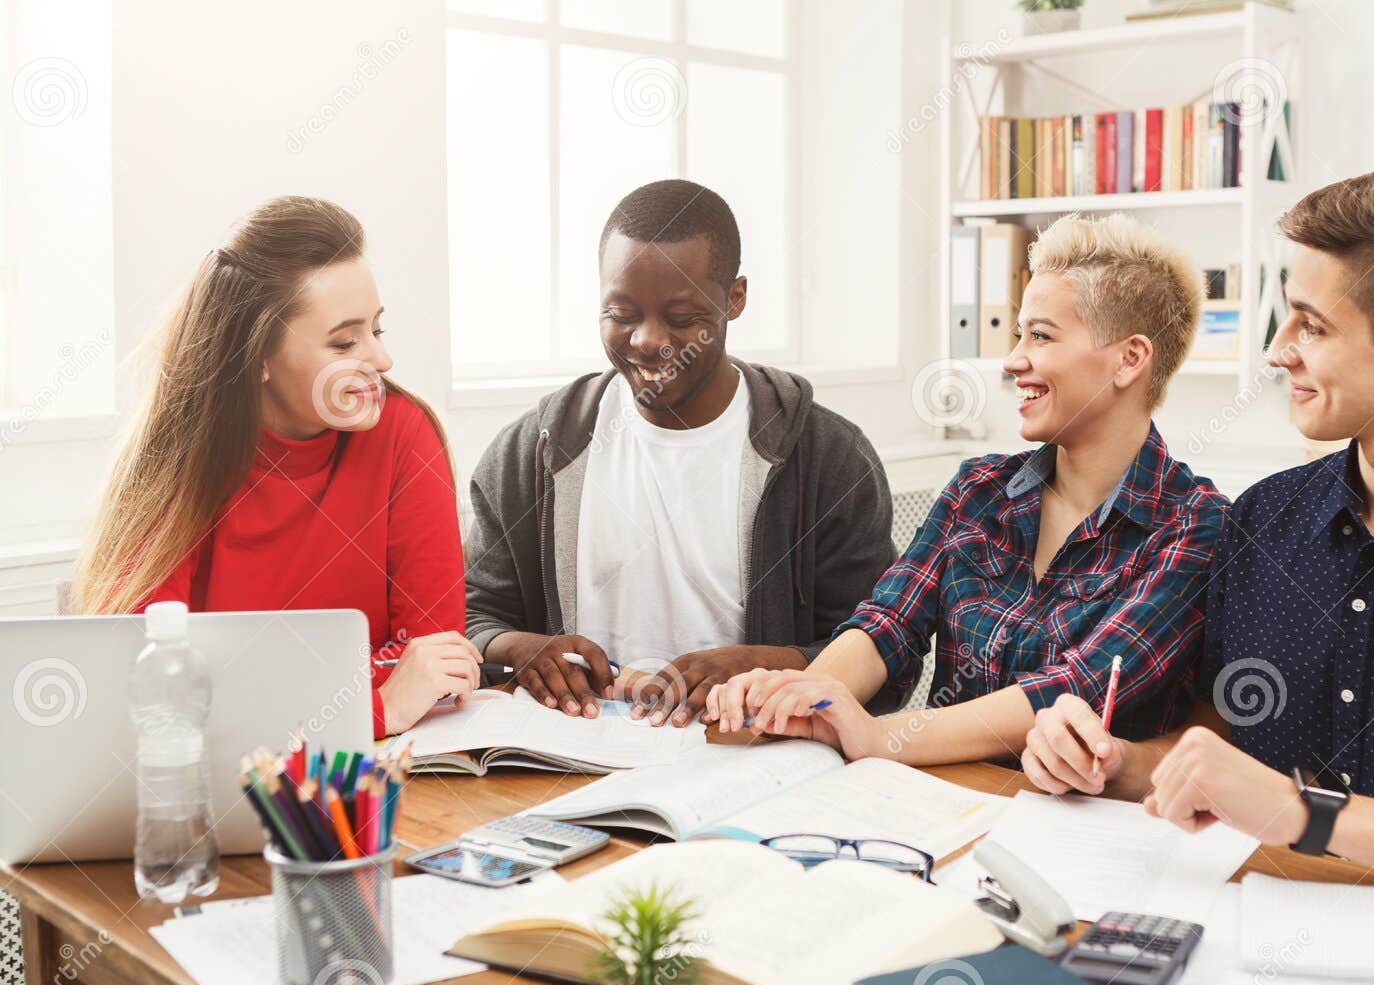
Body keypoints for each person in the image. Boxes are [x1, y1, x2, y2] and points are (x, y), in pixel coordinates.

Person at [1026, 161, 1374, 922]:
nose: (1277, 349)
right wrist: (1116, 764)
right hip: (1234, 945)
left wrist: (1312, 812)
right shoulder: (1263, 522)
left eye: (1313, 325)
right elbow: (1220, 745)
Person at [707, 213, 1227, 764]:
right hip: (944, 804)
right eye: (1018, 333)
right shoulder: (980, 489)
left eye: (1041, 336)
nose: (1013, 360)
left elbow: (1077, 687)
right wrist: (806, 696)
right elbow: (889, 622)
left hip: (1084, 831)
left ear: (1129, 359)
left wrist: (882, 737)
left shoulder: (1198, 526)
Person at [465, 179, 896, 727]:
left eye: (682, 316)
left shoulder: (831, 460)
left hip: (752, 766)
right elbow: (472, 617)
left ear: (734, 298)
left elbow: (887, 656)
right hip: (573, 762)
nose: (648, 340)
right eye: (621, 313)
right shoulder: (529, 452)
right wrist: (514, 647)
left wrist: (766, 665)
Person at [72, 196, 474, 738]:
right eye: (343, 342)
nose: (381, 361)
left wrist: (251, 694)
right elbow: (154, 692)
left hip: (364, 776)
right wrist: (376, 705)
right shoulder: (174, 458)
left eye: (377, 331)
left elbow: (432, 665)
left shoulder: (403, 433)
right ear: (257, 355)